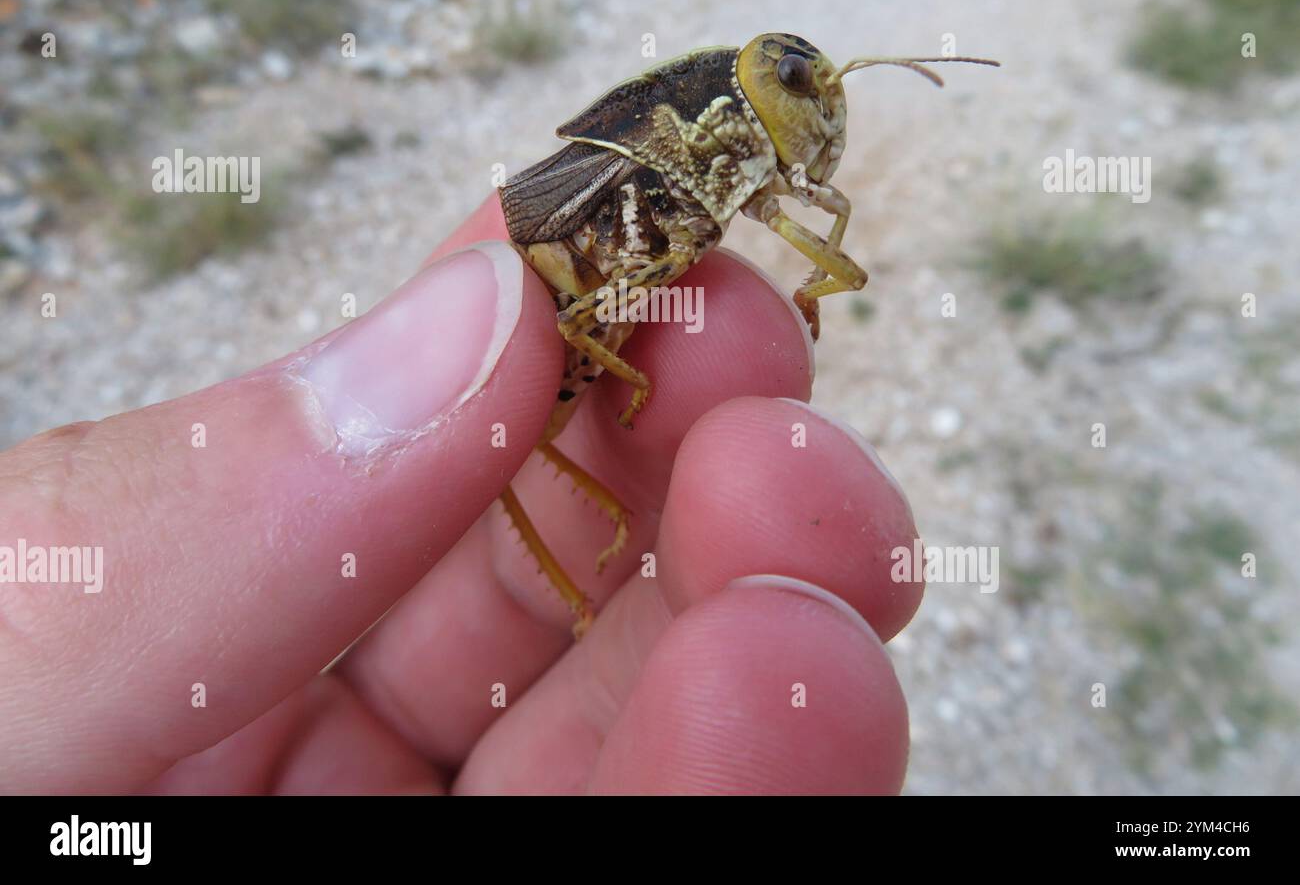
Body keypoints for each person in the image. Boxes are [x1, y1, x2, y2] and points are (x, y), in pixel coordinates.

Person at [0, 196, 922, 794]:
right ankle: (576, 579)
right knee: (517, 423)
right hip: (567, 273)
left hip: (591, 311)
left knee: (559, 424)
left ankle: (581, 558)